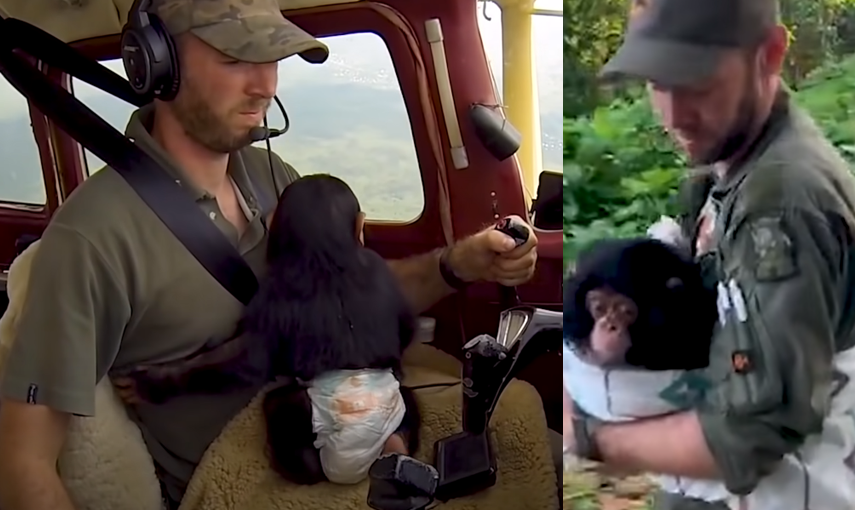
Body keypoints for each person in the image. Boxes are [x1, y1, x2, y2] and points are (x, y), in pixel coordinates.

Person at [0, 1, 541, 509]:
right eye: (236, 58)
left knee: (518, 425)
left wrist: (460, 263)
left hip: (318, 409)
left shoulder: (269, 175)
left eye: (271, 57)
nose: (264, 85)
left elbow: (348, 295)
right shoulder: (93, 238)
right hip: (236, 474)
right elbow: (24, 462)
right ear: (155, 61)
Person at [563, 0, 855, 509]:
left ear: (770, 54)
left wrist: (591, 437)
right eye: (655, 83)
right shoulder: (734, 163)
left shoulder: (781, 204)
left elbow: (752, 436)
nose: (673, 115)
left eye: (696, 83)